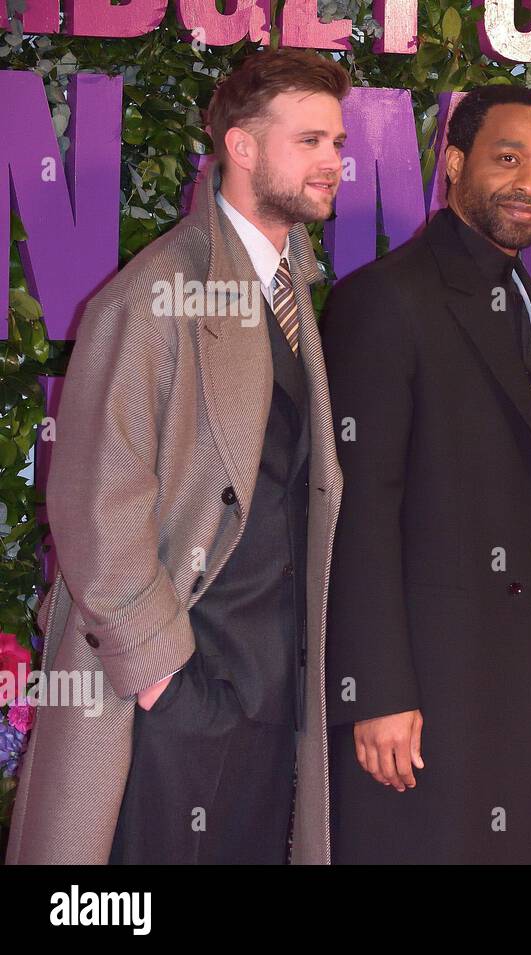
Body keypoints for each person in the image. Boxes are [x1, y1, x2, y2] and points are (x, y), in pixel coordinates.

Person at [6, 49, 349, 864]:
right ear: (241, 147)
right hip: (174, 701)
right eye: (310, 140)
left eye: (336, 142)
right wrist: (168, 683)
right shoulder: (156, 288)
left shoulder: (289, 284)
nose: (334, 162)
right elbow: (97, 500)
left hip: (266, 699)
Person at [321, 85, 531, 863]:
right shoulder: (385, 299)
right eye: (507, 159)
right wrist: (377, 690)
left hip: (523, 678)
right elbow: (360, 506)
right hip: (433, 686)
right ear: (452, 162)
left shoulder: (526, 297)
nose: (530, 186)